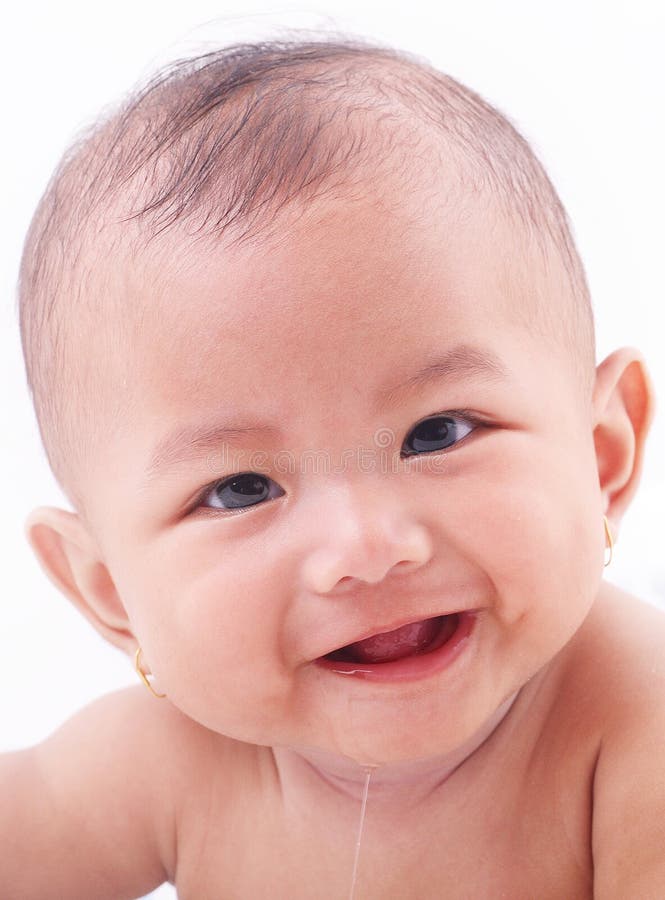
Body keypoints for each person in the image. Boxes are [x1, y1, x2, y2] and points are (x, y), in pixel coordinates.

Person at [4, 35, 663, 898]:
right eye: (241, 489)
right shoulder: (169, 759)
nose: (368, 546)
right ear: (109, 592)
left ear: (600, 452)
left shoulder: (631, 733)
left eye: (437, 432)